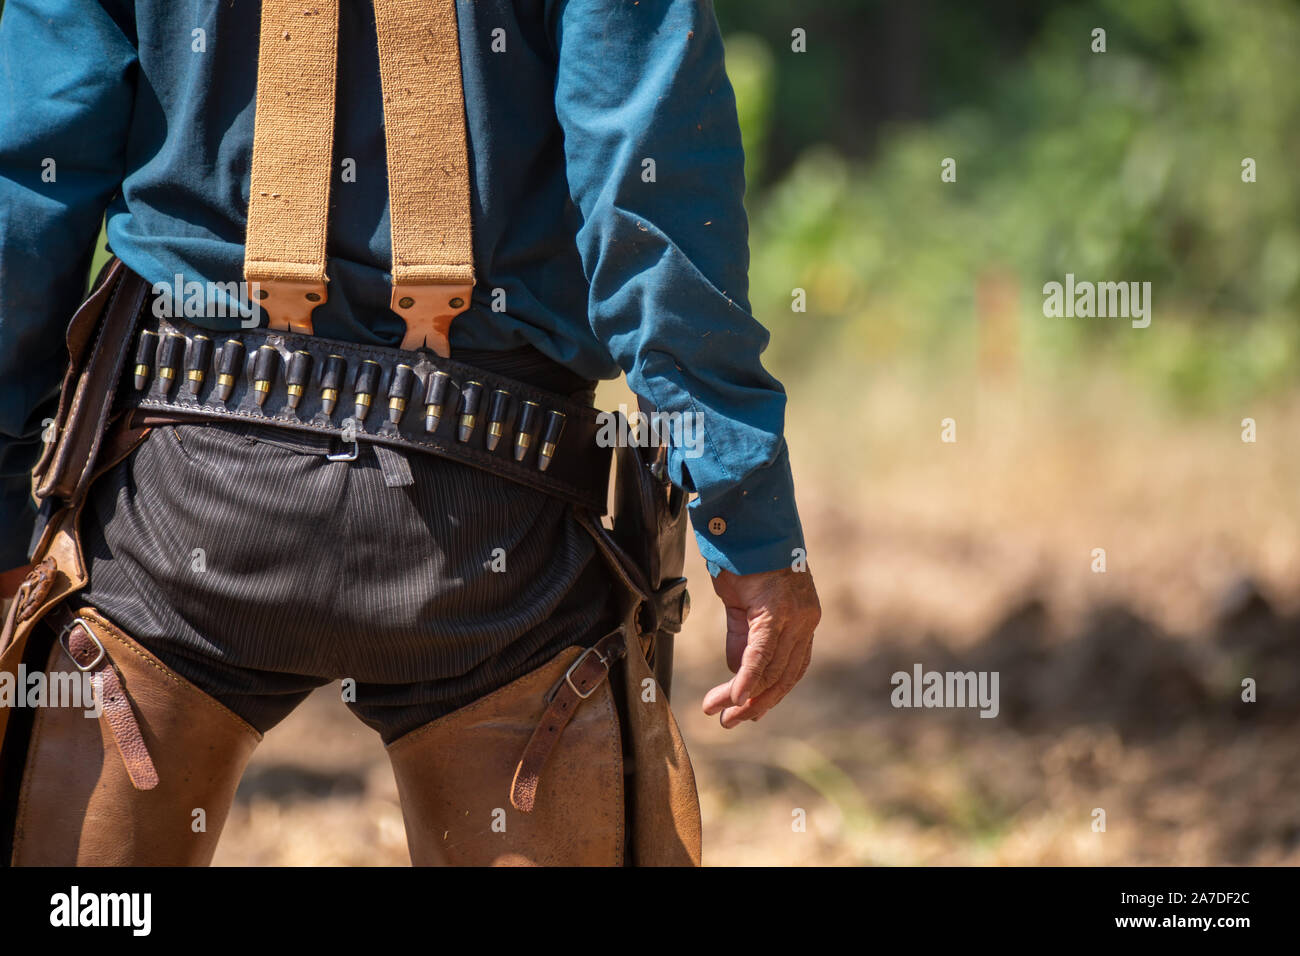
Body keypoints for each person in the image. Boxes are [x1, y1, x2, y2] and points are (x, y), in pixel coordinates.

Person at [0, 0, 820, 865]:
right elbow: (652, 192)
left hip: (175, 492)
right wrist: (745, 517)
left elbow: (30, 183)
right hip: (498, 512)